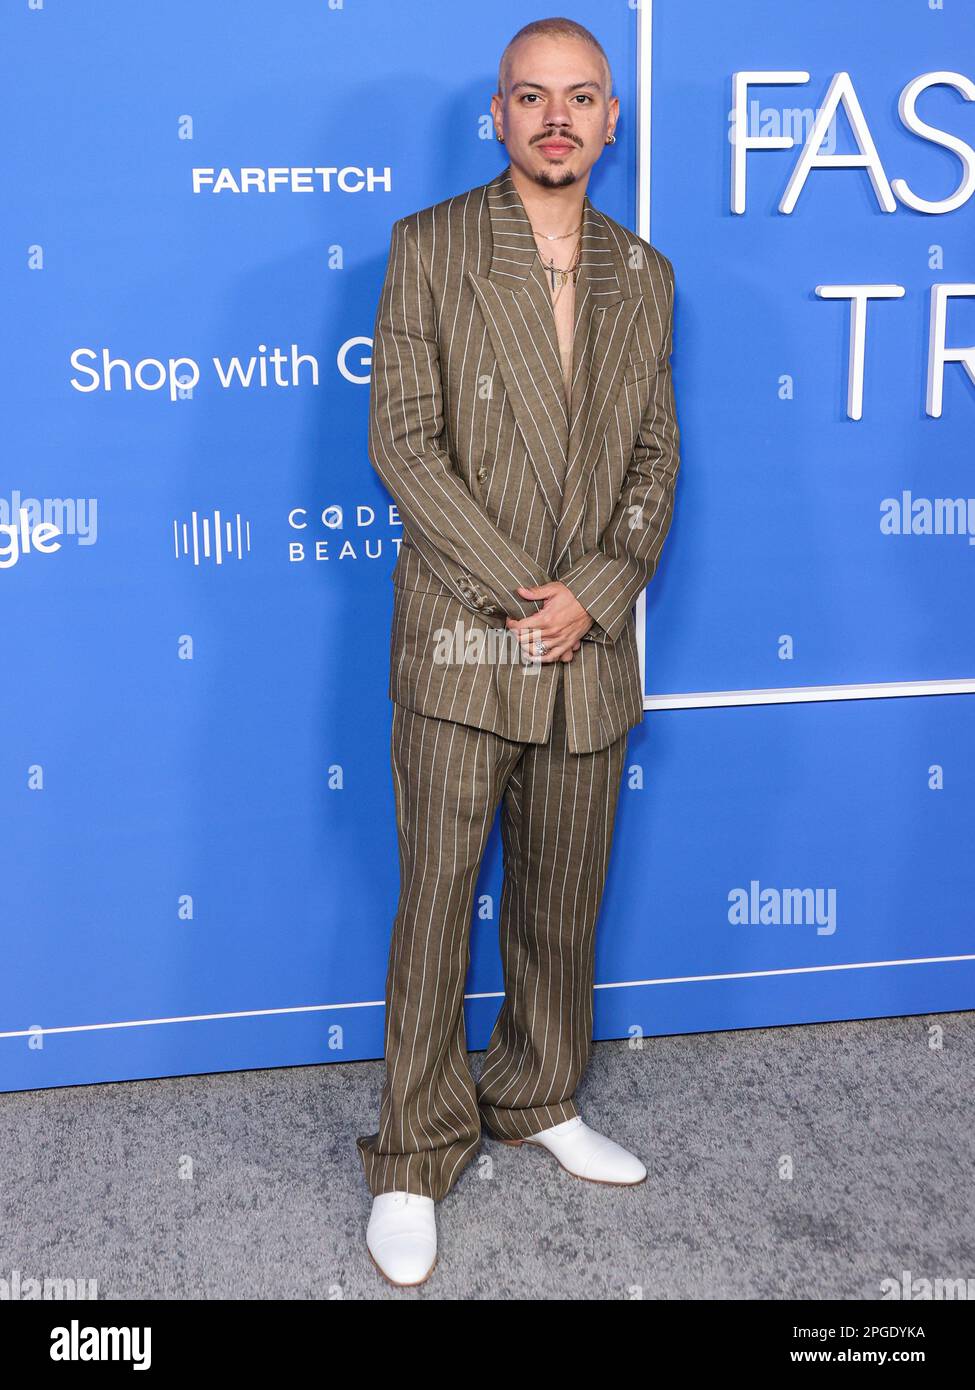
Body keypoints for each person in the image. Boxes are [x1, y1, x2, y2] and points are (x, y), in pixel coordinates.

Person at [357, 15, 681, 1287]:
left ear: (612, 122)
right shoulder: (428, 247)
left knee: (562, 899)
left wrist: (591, 595)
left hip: (588, 649)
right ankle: (414, 1148)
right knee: (437, 906)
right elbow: (403, 443)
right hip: (461, 642)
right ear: (497, 116)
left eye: (582, 97)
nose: (558, 116)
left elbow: (656, 460)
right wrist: (518, 595)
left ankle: (540, 1094)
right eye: (532, 96)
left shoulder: (646, 273)